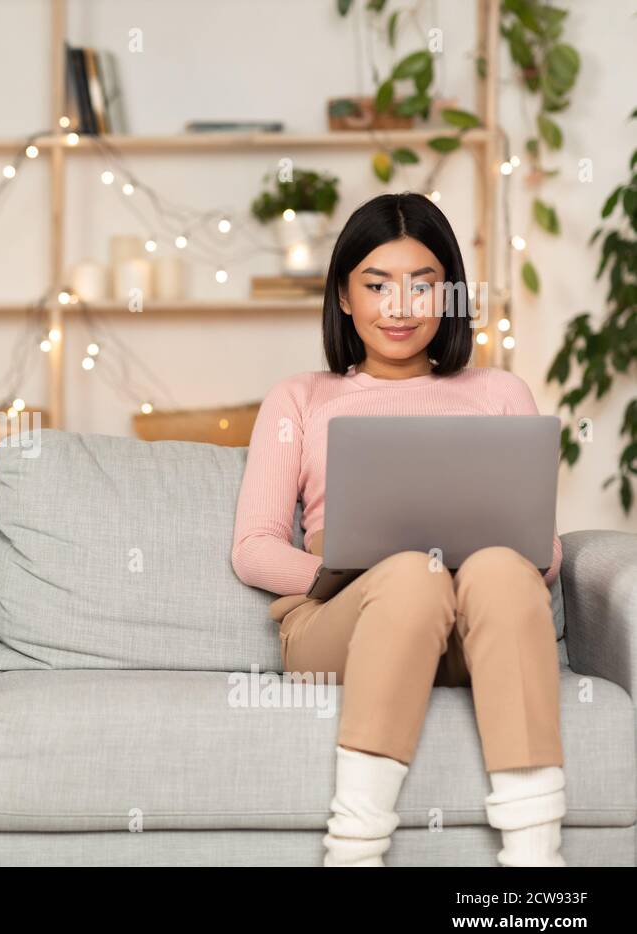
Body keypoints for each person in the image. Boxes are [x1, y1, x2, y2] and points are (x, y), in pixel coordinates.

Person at [231, 192, 566, 867]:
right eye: (377, 285)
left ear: (450, 297)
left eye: (424, 285)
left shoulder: (501, 392)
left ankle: (535, 862)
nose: (402, 306)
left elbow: (546, 553)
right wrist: (357, 575)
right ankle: (355, 850)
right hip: (340, 620)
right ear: (345, 298)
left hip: (469, 624)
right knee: (412, 576)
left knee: (496, 569)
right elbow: (254, 548)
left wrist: (501, 562)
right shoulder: (301, 397)